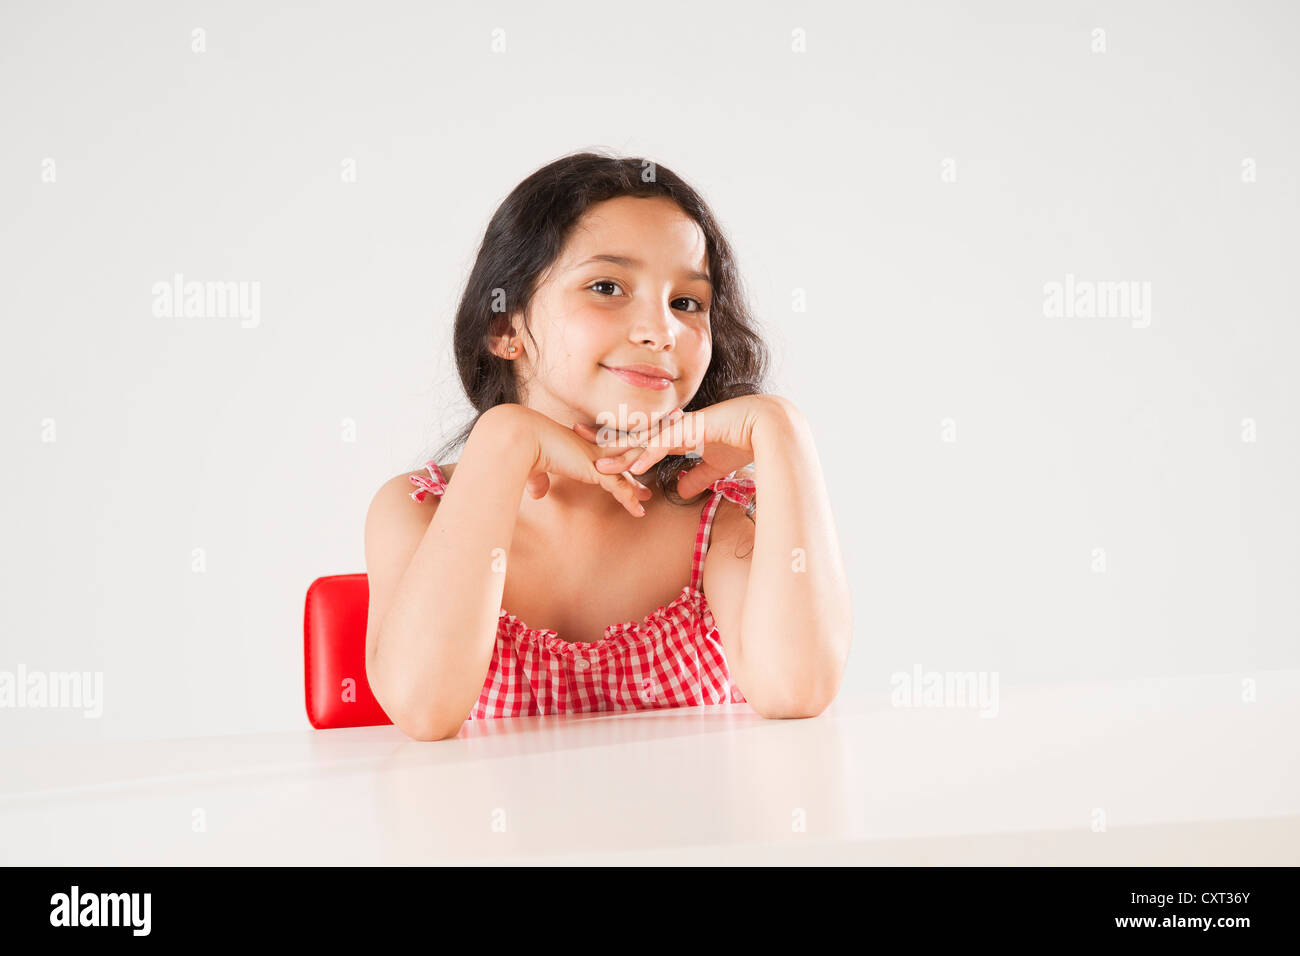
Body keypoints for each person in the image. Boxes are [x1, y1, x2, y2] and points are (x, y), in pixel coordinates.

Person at [363, 150, 851, 740]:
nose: (661, 330)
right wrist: (503, 440)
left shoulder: (721, 516)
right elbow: (423, 708)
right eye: (607, 286)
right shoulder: (417, 511)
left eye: (687, 303)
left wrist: (782, 432)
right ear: (505, 326)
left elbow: (796, 689)